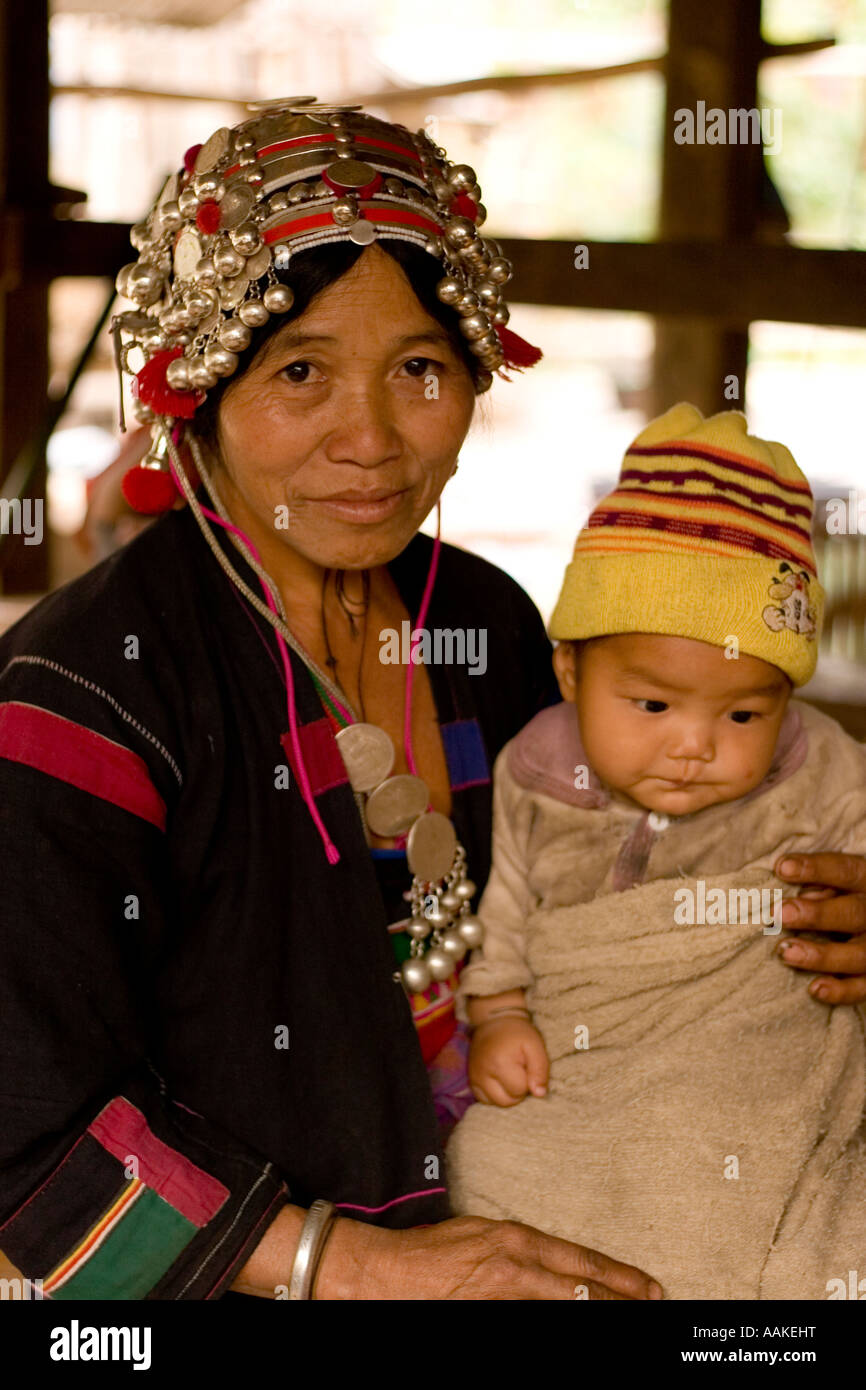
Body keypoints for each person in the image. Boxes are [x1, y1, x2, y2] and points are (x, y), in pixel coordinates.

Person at [0, 104, 862, 1303]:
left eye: (418, 370)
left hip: (544, 1205)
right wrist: (341, 1264)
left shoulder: (493, 627)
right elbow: (26, 1125)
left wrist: (807, 916)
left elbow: (634, 866)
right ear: (200, 382)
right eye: (299, 370)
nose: (371, 440)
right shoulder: (92, 689)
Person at [447, 404, 866, 1299]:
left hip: (752, 1059)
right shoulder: (538, 767)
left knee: (799, 1185)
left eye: (743, 714)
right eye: (652, 706)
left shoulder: (820, 764)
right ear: (572, 673)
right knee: (490, 1155)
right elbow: (507, 910)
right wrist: (503, 1013)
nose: (695, 745)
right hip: (584, 1061)